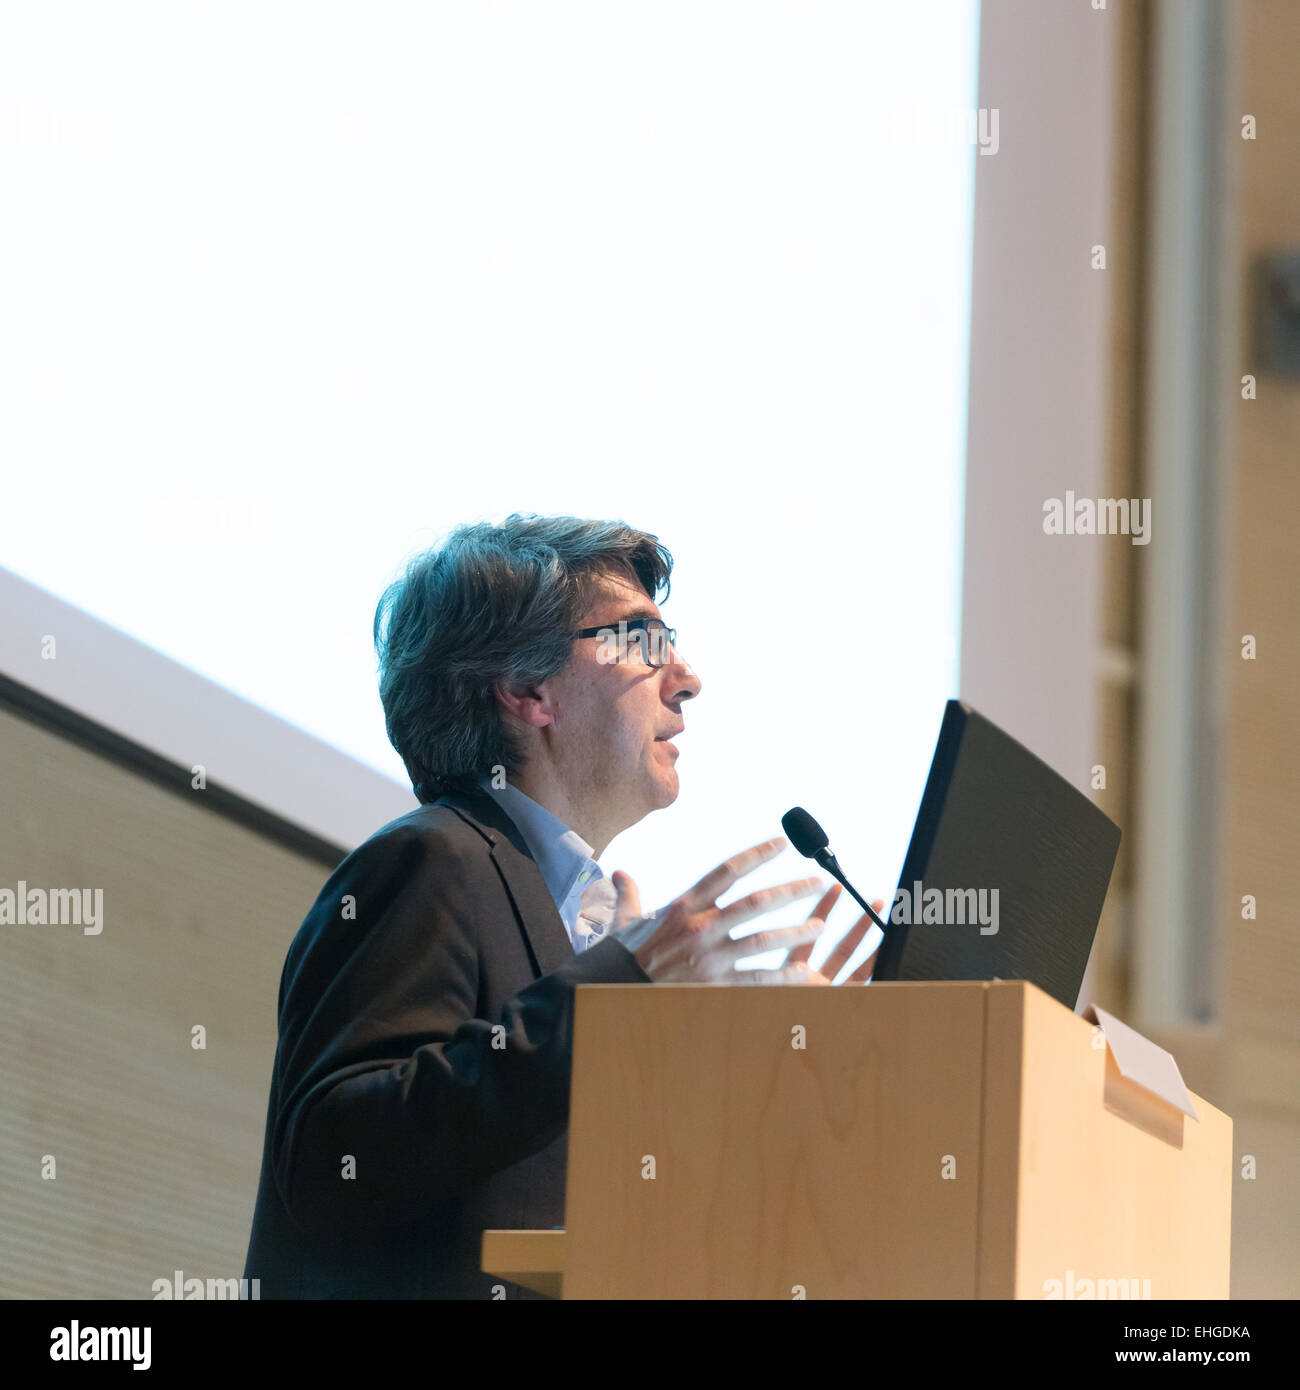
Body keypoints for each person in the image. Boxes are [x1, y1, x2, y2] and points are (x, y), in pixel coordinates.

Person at [243, 514, 879, 1298]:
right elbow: (329, 1160)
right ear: (526, 689)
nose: (685, 677)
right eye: (642, 641)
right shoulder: (431, 860)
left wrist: (787, 1072)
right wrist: (616, 993)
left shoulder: (578, 923)